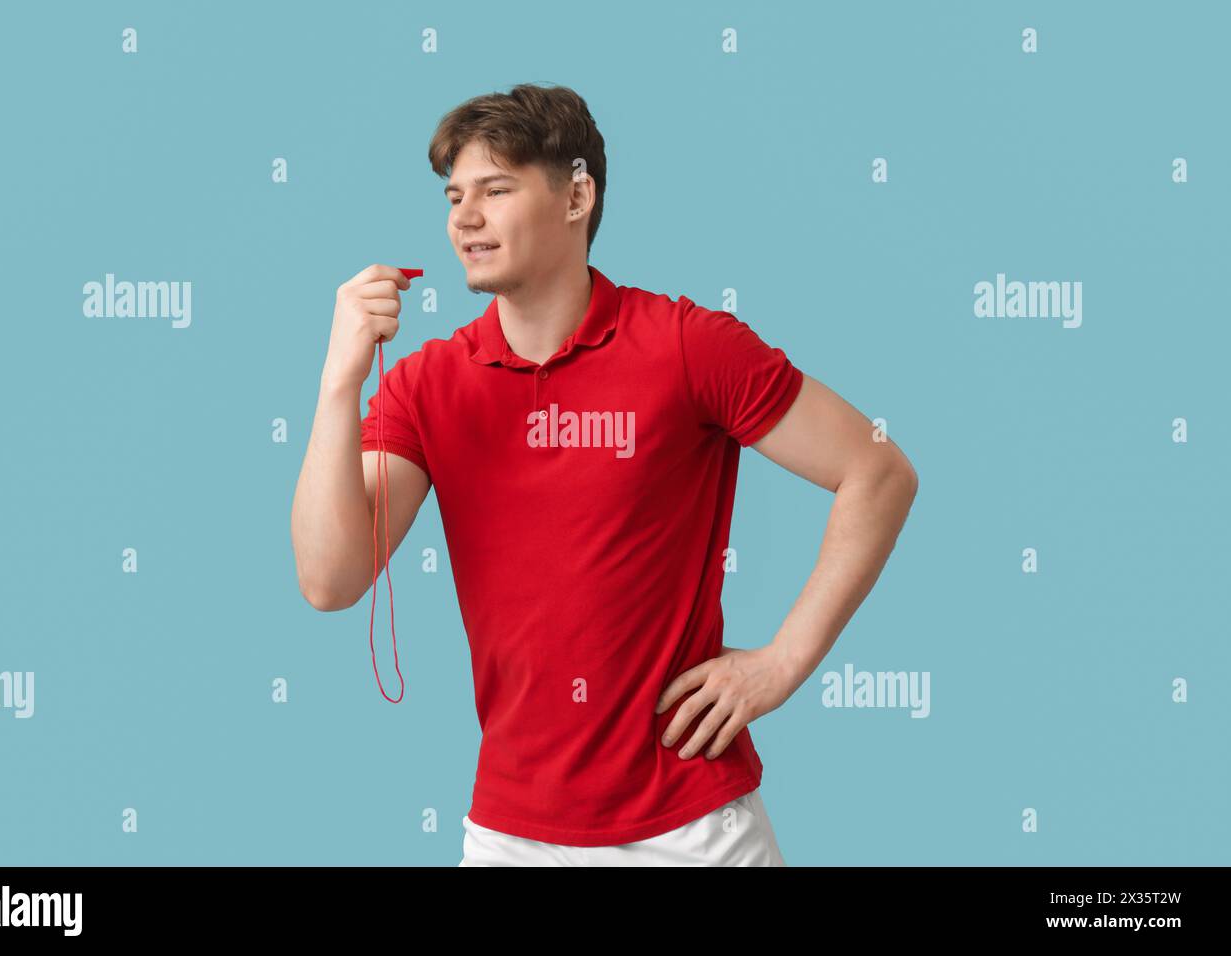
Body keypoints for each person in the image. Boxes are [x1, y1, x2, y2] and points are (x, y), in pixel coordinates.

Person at [290, 83, 918, 866]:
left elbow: (878, 469)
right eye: (455, 196)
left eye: (496, 189)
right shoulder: (427, 384)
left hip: (695, 831)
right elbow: (330, 578)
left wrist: (783, 663)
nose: (464, 218)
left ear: (577, 195)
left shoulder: (689, 347)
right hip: (510, 837)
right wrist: (337, 382)